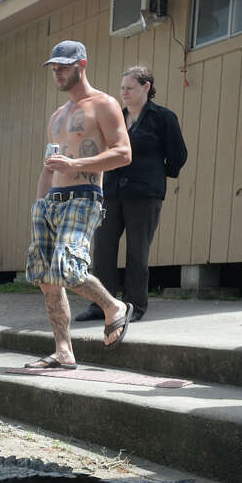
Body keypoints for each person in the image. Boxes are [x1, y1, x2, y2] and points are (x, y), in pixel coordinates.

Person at [24, 41, 133, 370]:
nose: (56, 71)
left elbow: (124, 152)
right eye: (53, 67)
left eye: (63, 66)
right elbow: (49, 164)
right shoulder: (58, 115)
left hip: (85, 194)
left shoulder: (104, 104)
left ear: (81, 65)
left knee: (68, 269)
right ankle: (63, 350)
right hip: (51, 203)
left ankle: (114, 306)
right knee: (47, 278)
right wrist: (39, 205)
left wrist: (75, 165)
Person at [75, 65, 187, 324]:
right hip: (111, 192)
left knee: (138, 251)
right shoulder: (115, 116)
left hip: (145, 194)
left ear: (146, 87)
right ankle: (100, 304)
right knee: (103, 248)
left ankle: (133, 305)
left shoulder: (163, 118)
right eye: (122, 88)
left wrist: (156, 174)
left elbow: (178, 155)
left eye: (129, 88)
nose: (123, 92)